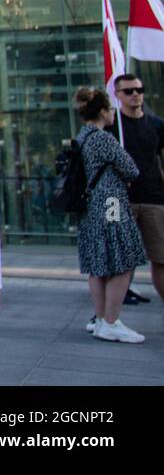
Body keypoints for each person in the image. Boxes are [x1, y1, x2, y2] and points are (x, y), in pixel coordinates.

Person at [73, 86, 148, 343]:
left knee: (98, 264)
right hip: (111, 203)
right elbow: (131, 169)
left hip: (91, 207)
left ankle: (101, 318)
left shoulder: (82, 136)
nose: (114, 114)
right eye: (111, 109)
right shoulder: (104, 139)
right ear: (104, 112)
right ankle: (112, 321)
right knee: (123, 259)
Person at [110, 73, 164, 315]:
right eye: (129, 91)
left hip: (154, 198)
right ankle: (107, 314)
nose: (135, 96)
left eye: (139, 90)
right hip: (120, 200)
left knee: (160, 257)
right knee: (120, 258)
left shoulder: (156, 125)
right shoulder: (113, 126)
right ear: (118, 95)